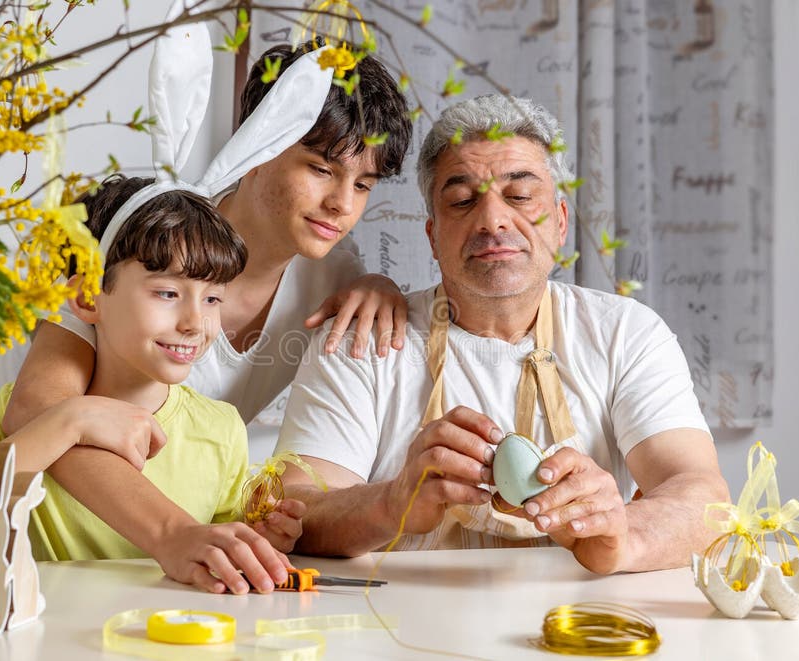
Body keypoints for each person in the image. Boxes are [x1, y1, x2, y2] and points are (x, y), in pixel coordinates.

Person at [274, 94, 730, 574]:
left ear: (559, 222)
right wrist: (392, 502)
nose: (492, 220)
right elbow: (290, 510)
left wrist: (623, 538)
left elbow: (703, 496)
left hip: (576, 631)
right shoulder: (361, 339)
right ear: (432, 236)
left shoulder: (625, 333)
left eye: (519, 196)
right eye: (462, 200)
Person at [0, 40, 414, 430]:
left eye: (363, 185)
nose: (343, 204)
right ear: (260, 143)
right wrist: (172, 529)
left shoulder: (336, 278)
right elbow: (37, 408)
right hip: (14, 465)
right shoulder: (145, 233)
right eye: (320, 169)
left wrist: (380, 284)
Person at [0, 176, 300, 595]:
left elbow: (221, 571)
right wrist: (70, 420)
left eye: (212, 299)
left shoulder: (222, 429)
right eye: (167, 293)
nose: (195, 323)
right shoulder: (22, 417)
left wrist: (260, 548)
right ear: (90, 299)